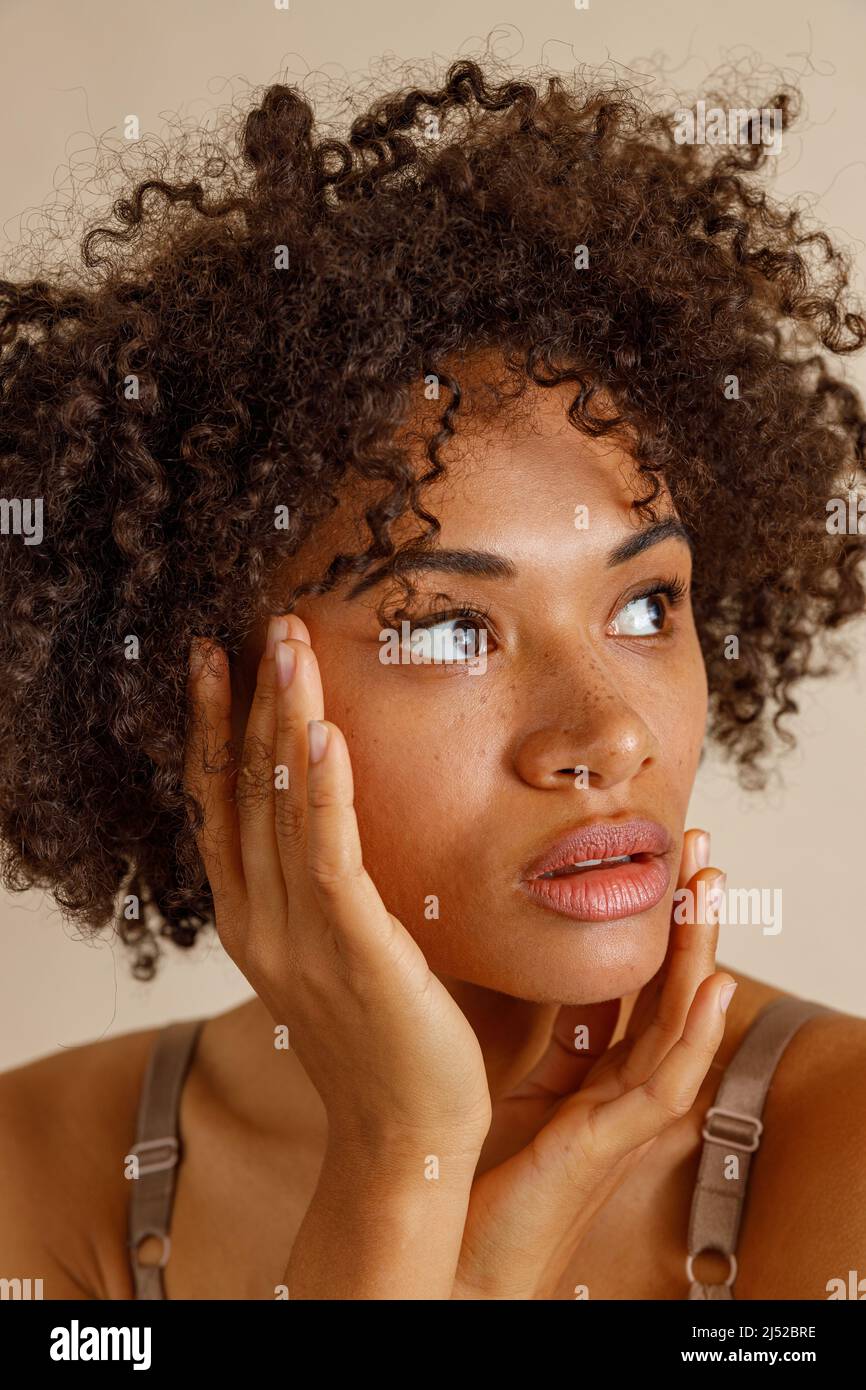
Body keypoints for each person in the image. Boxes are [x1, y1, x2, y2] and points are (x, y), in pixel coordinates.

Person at [1, 59, 865, 1301]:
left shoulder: (832, 1145)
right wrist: (400, 1165)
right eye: (451, 629)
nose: (607, 734)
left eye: (644, 603)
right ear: (213, 709)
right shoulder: (44, 1174)